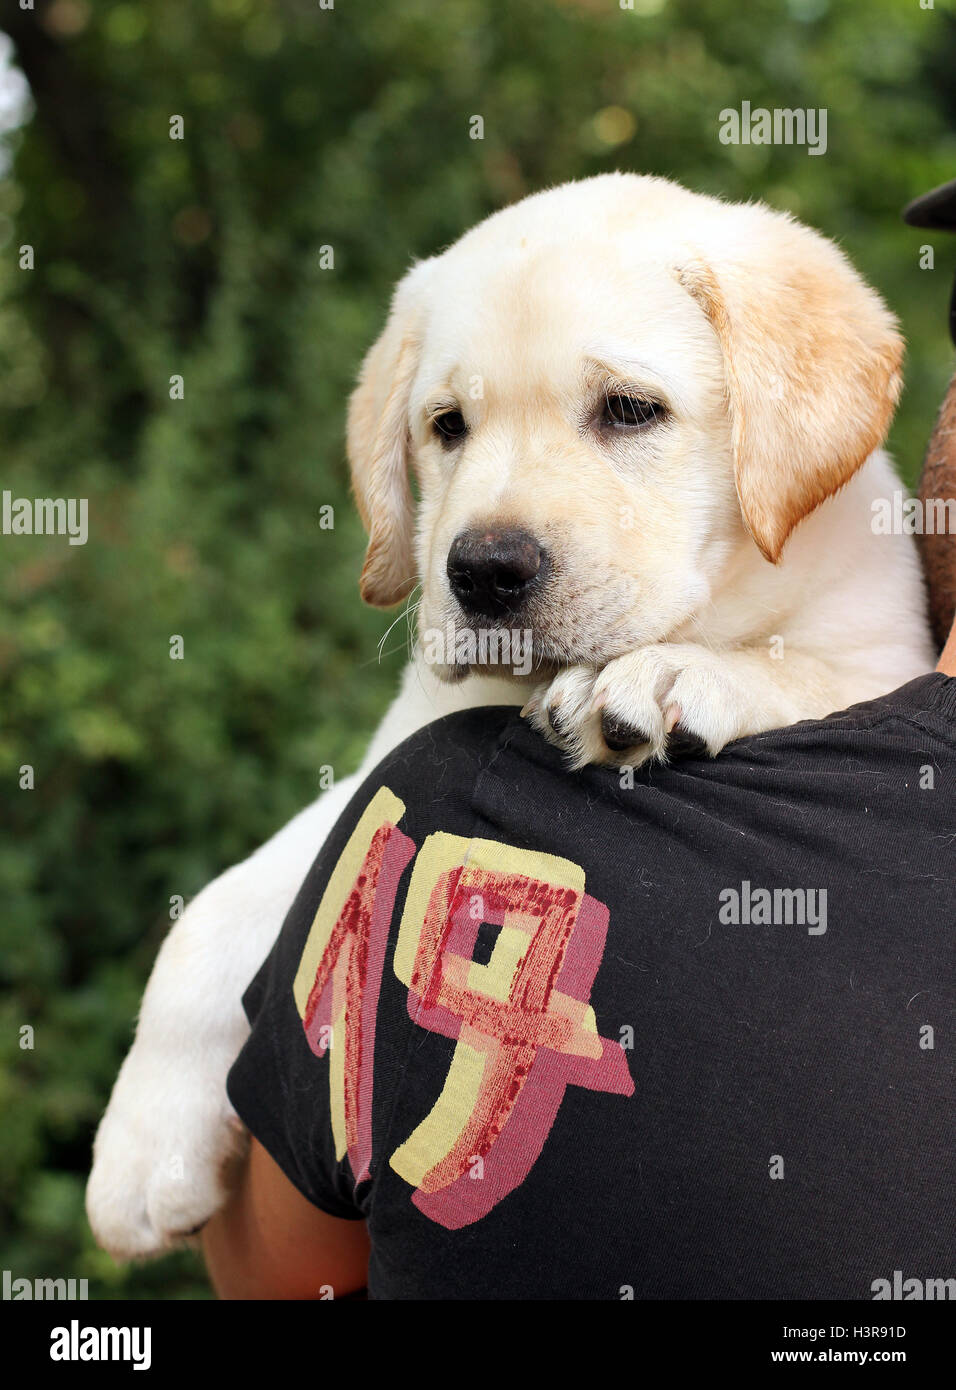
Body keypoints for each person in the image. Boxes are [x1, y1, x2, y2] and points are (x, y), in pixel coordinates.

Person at [202, 205, 956, 1300]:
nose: (489, 536)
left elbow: (269, 1276)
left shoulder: (458, 820)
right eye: (448, 427)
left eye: (626, 409)